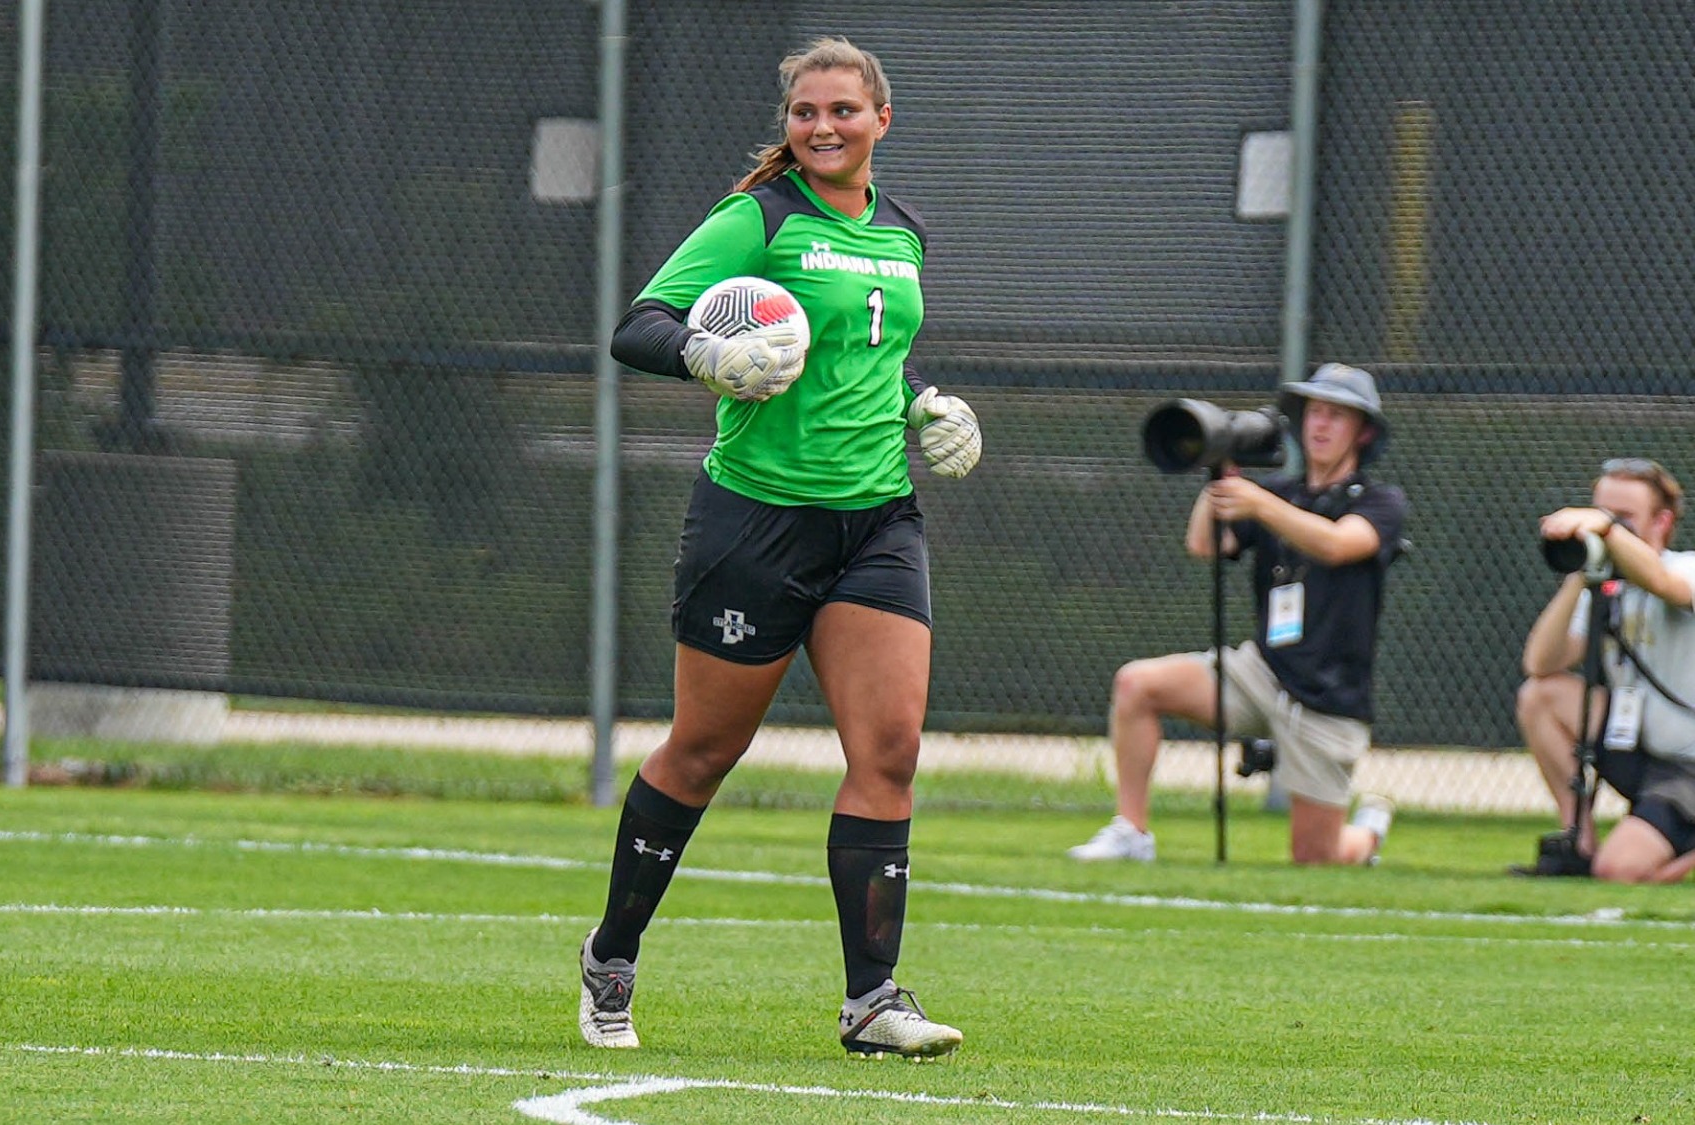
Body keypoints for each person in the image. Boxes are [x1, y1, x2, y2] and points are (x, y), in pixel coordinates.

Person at [581, 36, 981, 1059]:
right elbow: (639, 326)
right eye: (806, 112)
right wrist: (703, 354)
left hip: (876, 522)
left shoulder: (902, 233)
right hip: (754, 519)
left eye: (842, 110)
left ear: (880, 120)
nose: (822, 127)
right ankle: (612, 958)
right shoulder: (756, 217)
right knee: (704, 751)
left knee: (886, 754)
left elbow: (868, 363)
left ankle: (870, 1003)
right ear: (789, 125)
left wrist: (924, 406)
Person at [1069, 363, 1405, 865]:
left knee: (1317, 857)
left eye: (1336, 415)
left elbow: (1338, 545)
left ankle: (1368, 833)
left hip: (1327, 699)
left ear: (1363, 432)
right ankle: (1132, 833)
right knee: (1137, 685)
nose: (1320, 425)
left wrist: (1258, 502)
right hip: (1262, 672)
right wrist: (1219, 473)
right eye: (1314, 412)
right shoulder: (1277, 494)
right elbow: (1205, 544)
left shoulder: (1380, 501)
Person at [1515, 459, 1695, 883]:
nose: (1606, 527)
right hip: (1637, 748)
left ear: (1662, 522)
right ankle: (1579, 840)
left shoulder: (1684, 567)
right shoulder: (1606, 588)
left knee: (1618, 870)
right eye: (1601, 512)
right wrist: (1582, 571)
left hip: (1687, 767)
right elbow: (1540, 663)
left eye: (1624, 518)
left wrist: (1605, 531)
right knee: (1539, 696)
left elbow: (1663, 585)